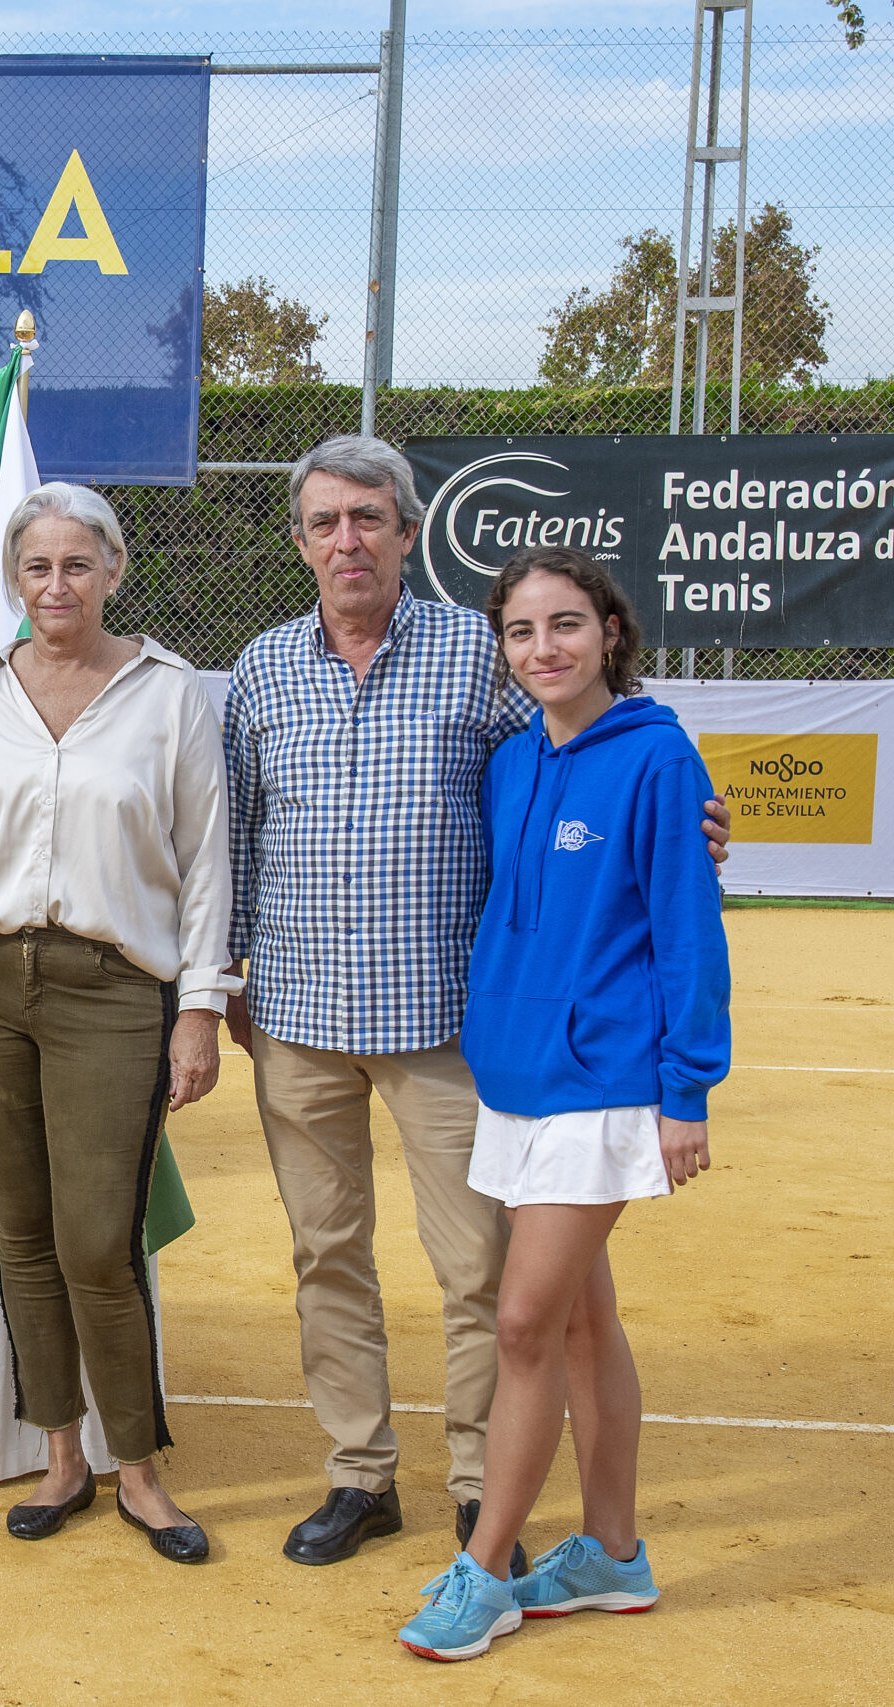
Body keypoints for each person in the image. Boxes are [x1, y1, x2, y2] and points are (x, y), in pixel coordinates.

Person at [224, 434, 729, 1571]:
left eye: (368, 517)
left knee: (481, 1275)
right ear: (300, 541)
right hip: (296, 1018)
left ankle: (473, 1483)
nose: (346, 540)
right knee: (326, 1255)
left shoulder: (478, 650)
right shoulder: (259, 668)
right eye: (323, 522)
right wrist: (231, 978)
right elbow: (236, 839)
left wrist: (692, 824)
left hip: (447, 1024)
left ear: (407, 530)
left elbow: (585, 753)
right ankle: (359, 1475)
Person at [0, 483, 230, 1566]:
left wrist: (201, 1008)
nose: (56, 585)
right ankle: (61, 1457)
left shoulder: (171, 694)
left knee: (95, 1240)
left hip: (115, 990)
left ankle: (140, 1471)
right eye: (36, 567)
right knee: (20, 1237)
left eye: (78, 565)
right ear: (12, 580)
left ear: (114, 573)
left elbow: (207, 864)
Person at [398, 547, 726, 1662]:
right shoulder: (507, 762)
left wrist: (686, 1091)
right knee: (582, 1319)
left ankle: (485, 1569)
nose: (544, 649)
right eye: (522, 631)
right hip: (516, 1076)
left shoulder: (659, 758)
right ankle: (611, 1554)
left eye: (566, 625)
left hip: (607, 1079)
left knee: (524, 1321)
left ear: (610, 634)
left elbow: (687, 928)